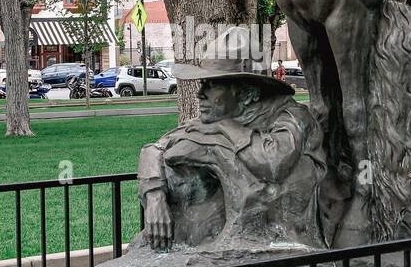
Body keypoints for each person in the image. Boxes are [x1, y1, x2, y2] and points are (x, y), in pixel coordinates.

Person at [138, 57, 326, 252]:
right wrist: (154, 197)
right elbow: (153, 149)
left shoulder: (293, 117)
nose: (200, 94)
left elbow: (273, 163)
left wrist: (227, 127)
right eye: (203, 84)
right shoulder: (220, 116)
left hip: (289, 243)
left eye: (213, 85)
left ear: (247, 94)